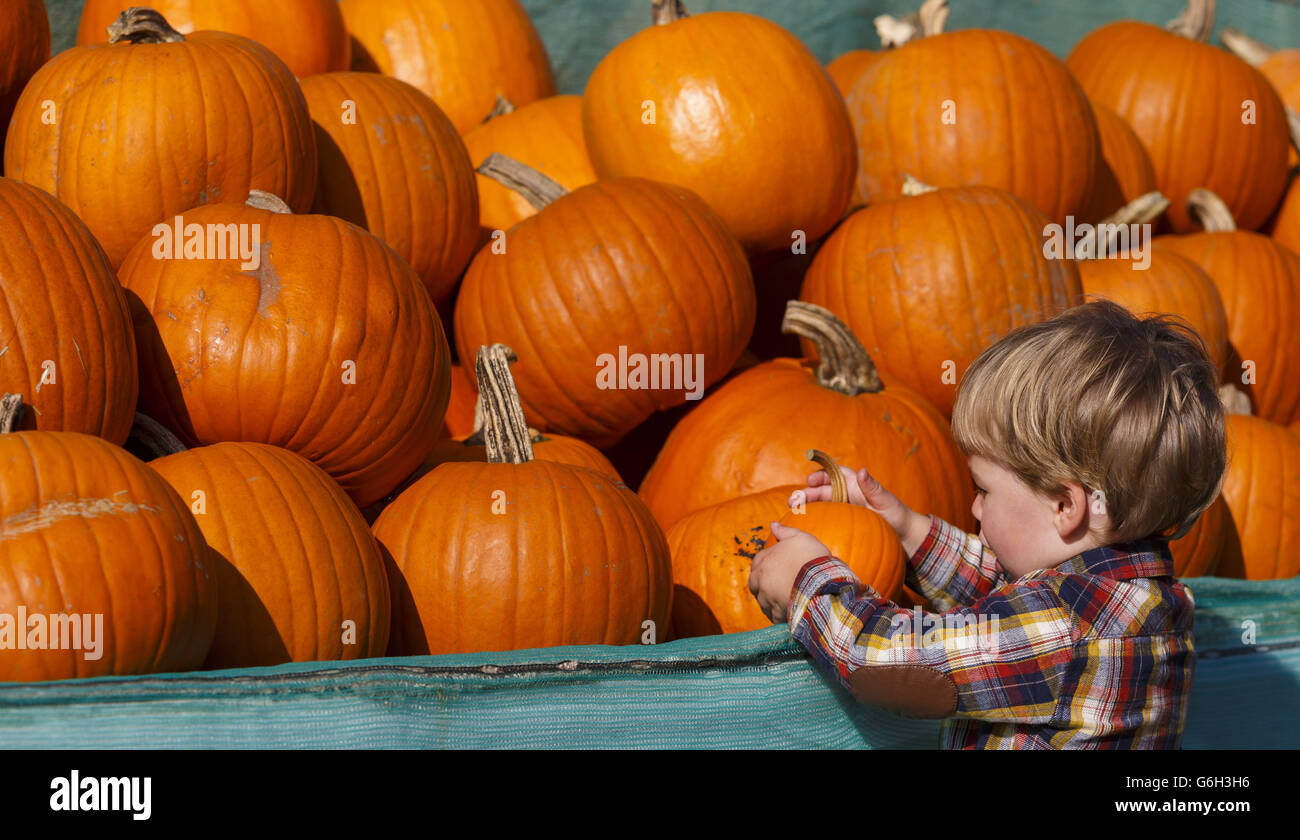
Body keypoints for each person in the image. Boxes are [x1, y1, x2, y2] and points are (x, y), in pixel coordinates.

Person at [747, 300, 1226, 748]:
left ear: (1065, 505)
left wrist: (807, 581)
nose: (974, 509)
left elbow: (897, 665)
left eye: (983, 490)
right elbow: (1001, 596)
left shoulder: (1066, 629)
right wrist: (905, 529)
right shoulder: (1136, 598)